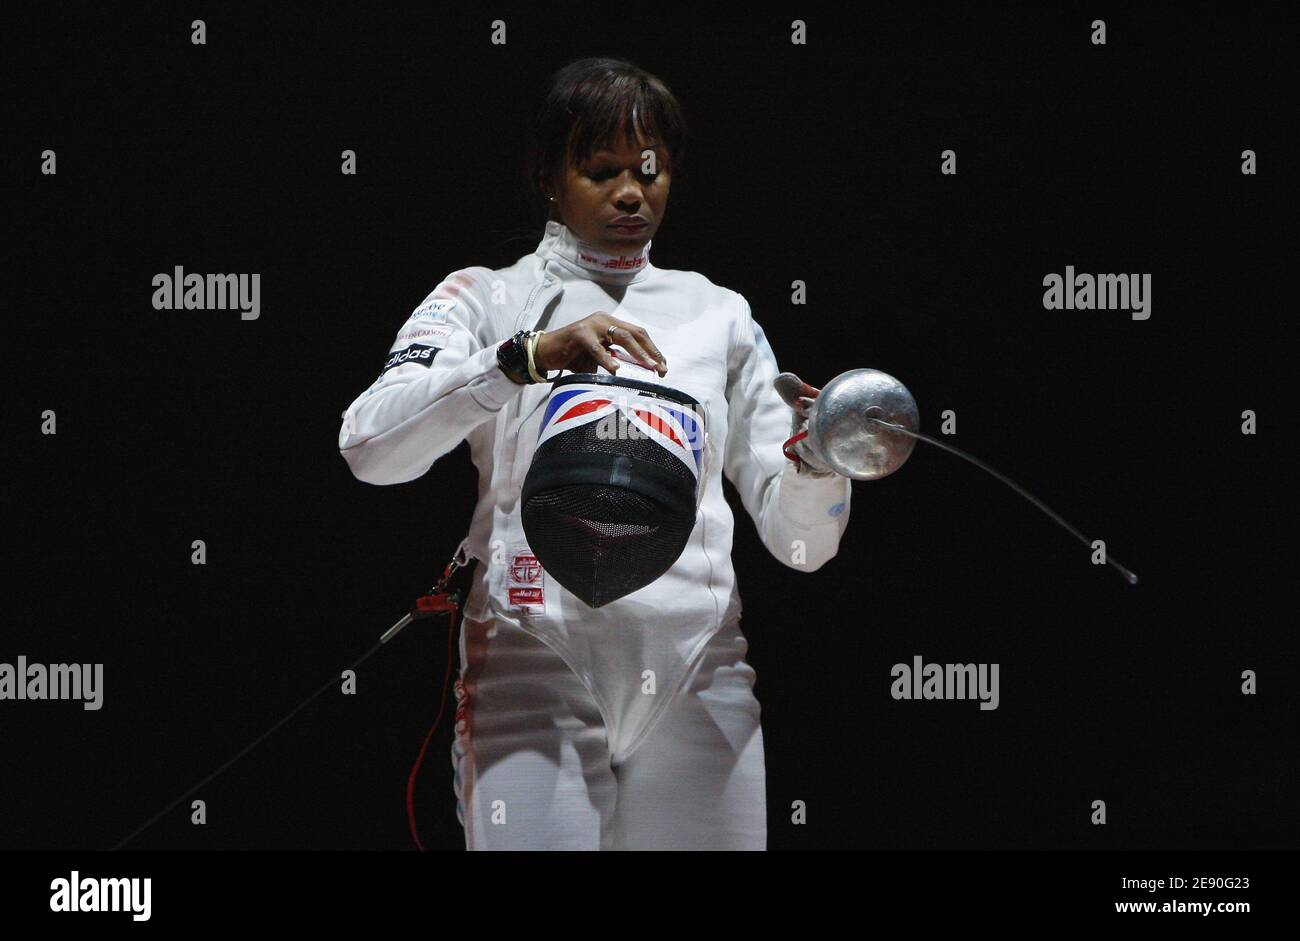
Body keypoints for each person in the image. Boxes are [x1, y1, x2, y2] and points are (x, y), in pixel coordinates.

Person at [337, 57, 852, 850]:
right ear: (549, 173)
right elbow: (370, 445)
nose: (629, 191)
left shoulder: (719, 315)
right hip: (532, 663)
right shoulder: (487, 297)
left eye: (650, 170)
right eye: (600, 168)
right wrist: (524, 359)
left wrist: (819, 462)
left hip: (699, 673)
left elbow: (800, 544)